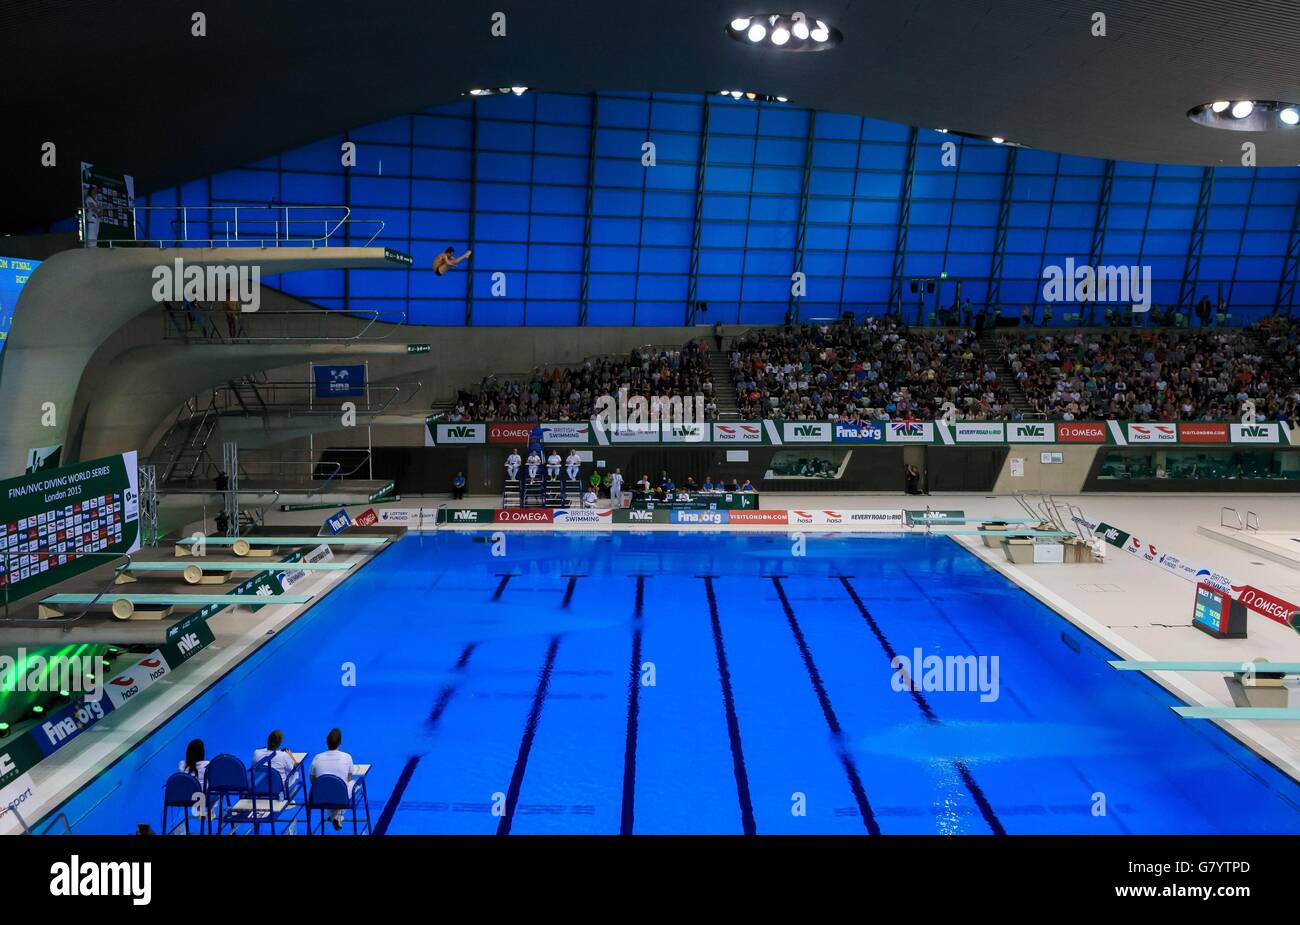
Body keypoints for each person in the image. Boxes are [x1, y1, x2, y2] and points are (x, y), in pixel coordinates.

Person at [309, 727, 355, 831]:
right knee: (351, 784)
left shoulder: (317, 758)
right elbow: (349, 779)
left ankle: (333, 815)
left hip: (320, 797)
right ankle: (336, 816)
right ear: (340, 742)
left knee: (327, 788)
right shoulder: (347, 757)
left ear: (327, 743)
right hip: (341, 797)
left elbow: (312, 780)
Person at [251, 729, 300, 793]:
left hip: (260, 787)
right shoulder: (283, 756)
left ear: (268, 740)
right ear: (280, 743)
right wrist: (290, 755)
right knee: (295, 773)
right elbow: (294, 768)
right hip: (279, 790)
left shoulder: (256, 753)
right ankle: (288, 799)